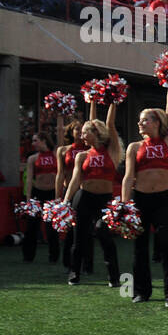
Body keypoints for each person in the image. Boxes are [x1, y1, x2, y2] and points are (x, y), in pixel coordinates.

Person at [121, 84, 168, 307]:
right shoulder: (134, 147)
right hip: (140, 200)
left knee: (167, 246)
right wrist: (125, 205)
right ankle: (141, 292)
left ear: (157, 122)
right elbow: (128, 177)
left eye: (145, 119)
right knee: (140, 246)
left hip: (164, 199)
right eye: (139, 120)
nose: (140, 123)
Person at [63, 110, 123, 287]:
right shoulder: (82, 155)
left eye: (85, 132)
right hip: (84, 197)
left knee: (104, 234)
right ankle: (74, 274)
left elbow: (110, 125)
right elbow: (75, 180)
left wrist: (112, 101)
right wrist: (66, 201)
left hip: (104, 199)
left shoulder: (112, 151)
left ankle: (113, 277)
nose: (82, 135)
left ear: (96, 132)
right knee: (79, 238)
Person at [56, 117, 93, 275]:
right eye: (76, 129)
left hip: (85, 190)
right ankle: (69, 263)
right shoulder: (63, 150)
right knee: (71, 230)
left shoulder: (91, 149)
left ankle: (87, 265)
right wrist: (58, 197)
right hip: (69, 191)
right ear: (71, 132)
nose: (79, 132)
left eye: (82, 129)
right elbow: (60, 174)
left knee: (87, 228)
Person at [21, 132, 60, 263]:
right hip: (37, 194)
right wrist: (28, 198)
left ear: (43, 140)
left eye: (35, 140)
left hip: (52, 194)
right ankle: (28, 257)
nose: (33, 143)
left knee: (51, 227)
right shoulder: (32, 158)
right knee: (31, 226)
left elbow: (59, 133)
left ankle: (53, 257)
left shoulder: (56, 155)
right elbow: (29, 180)